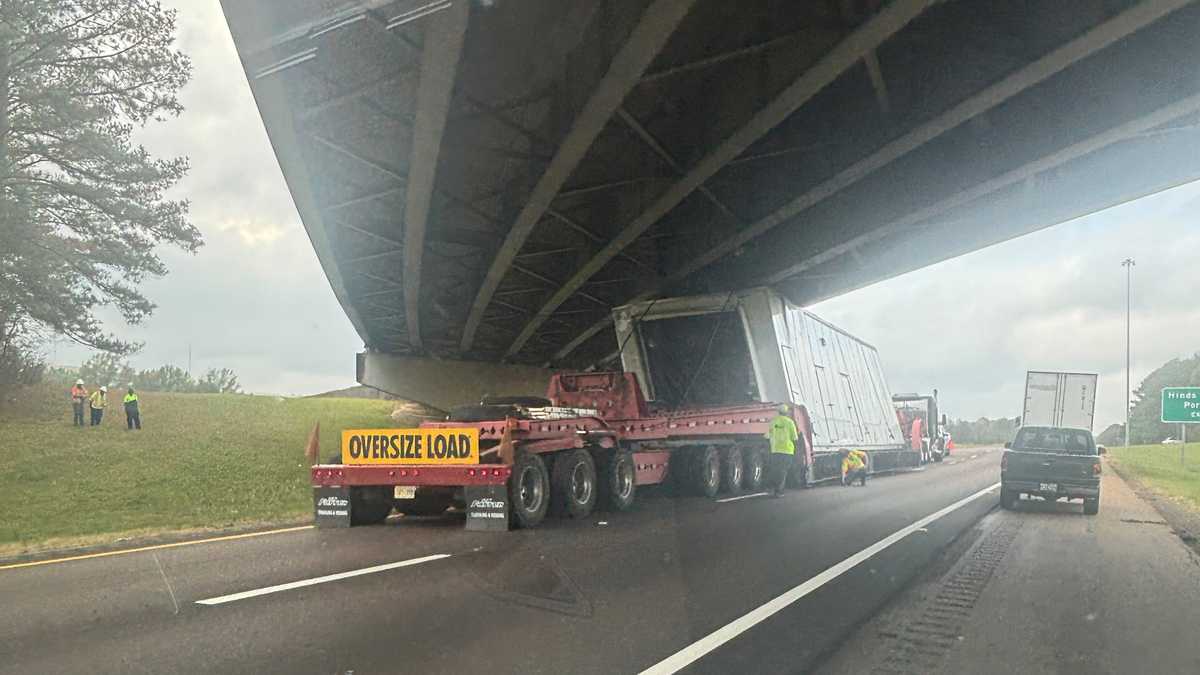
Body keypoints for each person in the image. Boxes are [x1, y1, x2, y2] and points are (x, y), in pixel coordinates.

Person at [765, 403, 799, 497]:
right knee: (783, 470)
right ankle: (778, 491)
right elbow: (795, 438)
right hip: (787, 450)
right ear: (787, 412)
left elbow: (768, 435)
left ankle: (772, 488)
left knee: (776, 469)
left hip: (775, 450)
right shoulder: (790, 422)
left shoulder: (773, 422)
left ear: (778, 412)